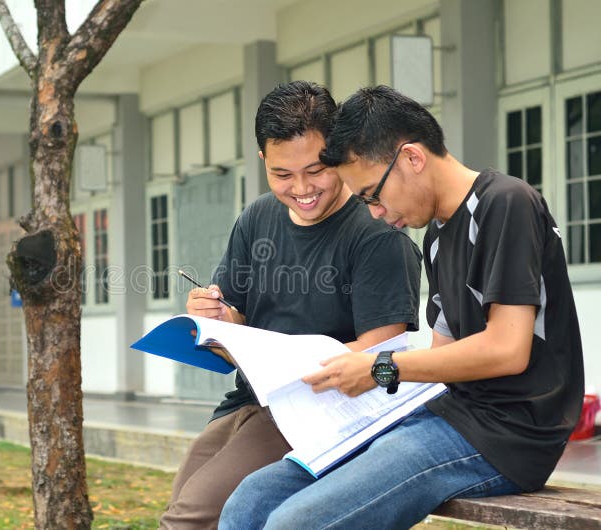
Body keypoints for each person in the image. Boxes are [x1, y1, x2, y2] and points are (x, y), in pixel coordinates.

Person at [219, 85, 585, 530]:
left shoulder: (505, 203)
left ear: (412, 158)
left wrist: (380, 368)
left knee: (296, 523)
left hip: (508, 435)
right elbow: (442, 359)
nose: (374, 212)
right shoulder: (436, 234)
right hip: (449, 415)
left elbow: (508, 349)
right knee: (253, 499)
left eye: (372, 194)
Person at [159, 81, 423, 529]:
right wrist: (217, 316)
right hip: (251, 400)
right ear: (263, 160)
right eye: (282, 174)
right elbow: (236, 313)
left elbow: (385, 352)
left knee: (193, 515)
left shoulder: (377, 235)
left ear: (339, 149)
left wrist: (295, 364)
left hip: (319, 408)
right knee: (182, 505)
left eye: (316, 169)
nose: (301, 188)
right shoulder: (257, 218)